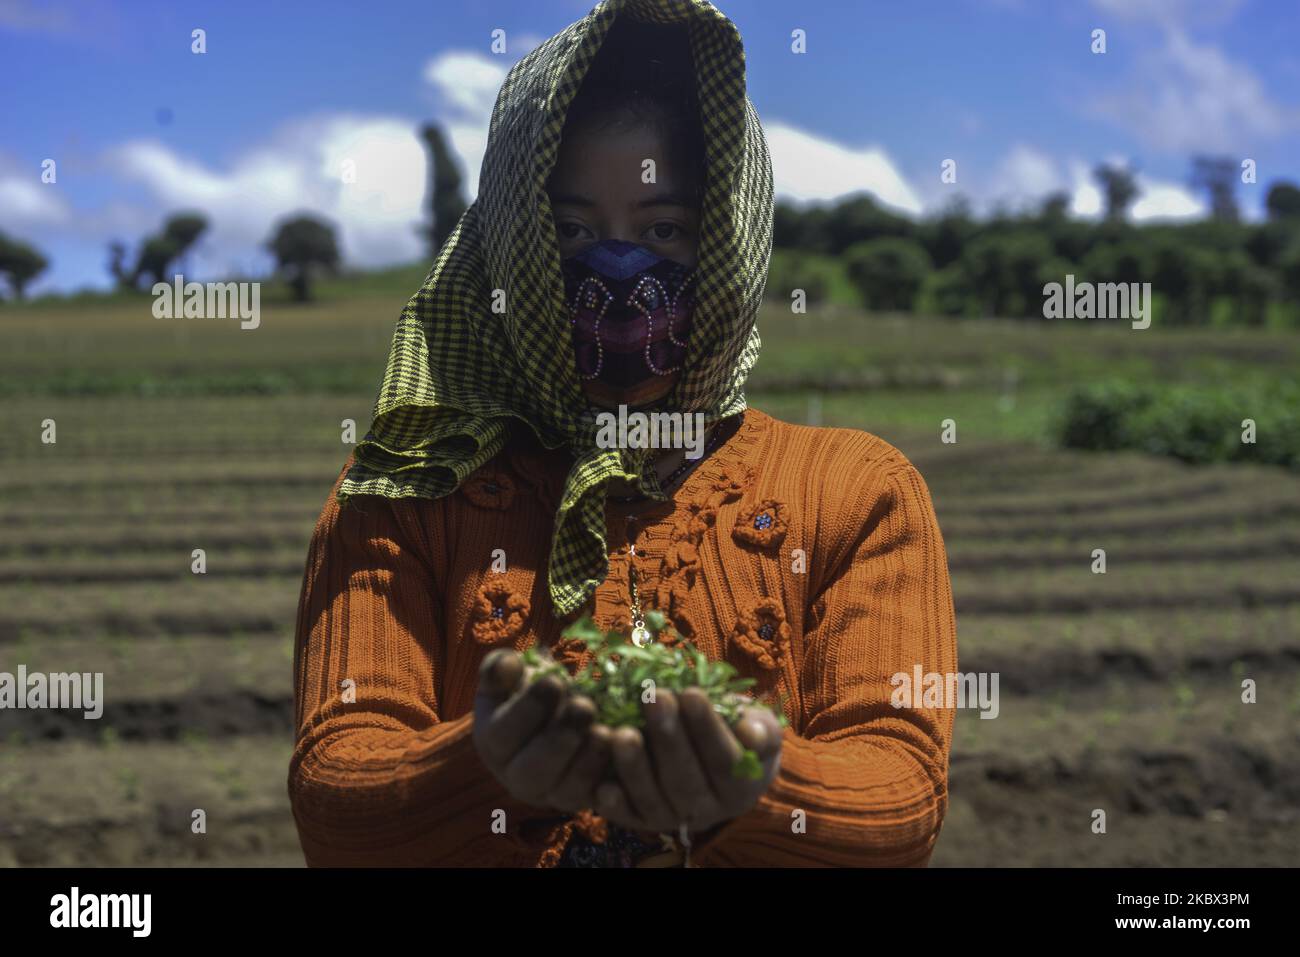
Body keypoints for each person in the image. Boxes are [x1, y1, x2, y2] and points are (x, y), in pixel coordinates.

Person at [288, 0, 958, 868]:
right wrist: (483, 763)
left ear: (729, 239)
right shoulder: (409, 486)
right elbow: (338, 799)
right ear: (509, 243)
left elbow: (900, 795)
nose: (616, 266)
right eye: (568, 230)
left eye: (663, 230)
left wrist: (760, 782)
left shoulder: (855, 490)